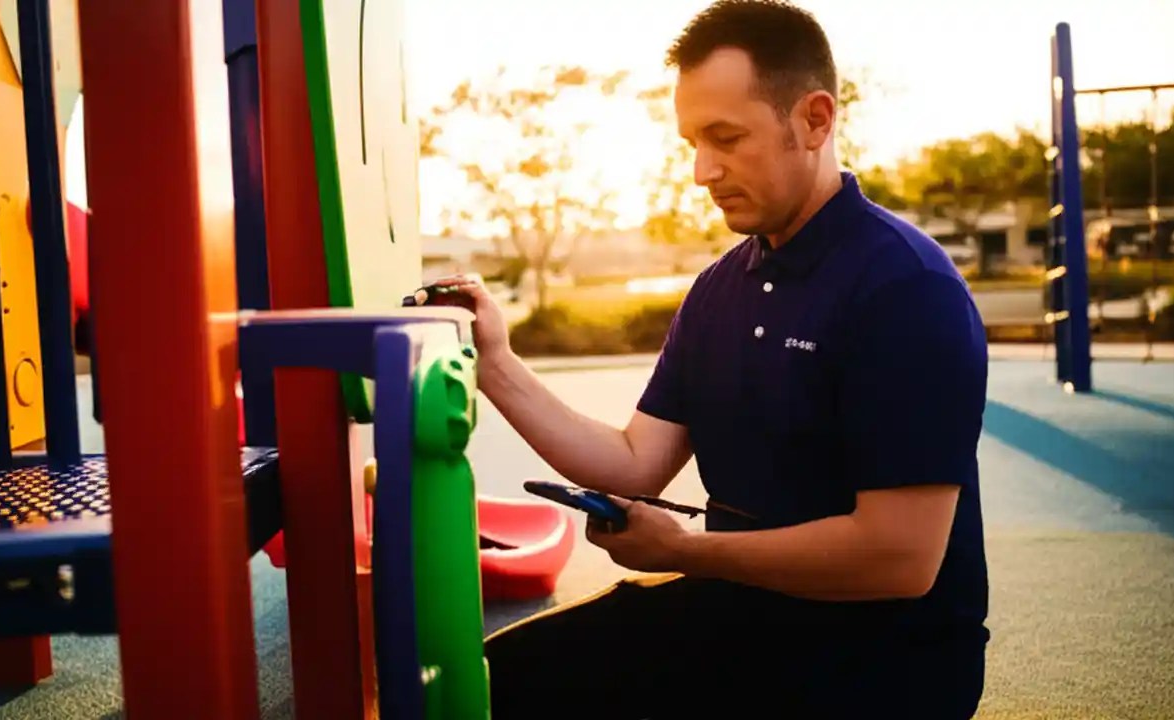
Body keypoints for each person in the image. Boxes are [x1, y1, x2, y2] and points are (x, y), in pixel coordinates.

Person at [423, 1, 989, 716]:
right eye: (693, 141)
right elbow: (634, 462)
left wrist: (686, 552)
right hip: (746, 614)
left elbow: (898, 559)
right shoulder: (720, 288)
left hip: (885, 657)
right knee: (506, 680)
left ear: (815, 120)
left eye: (726, 138)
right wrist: (495, 361)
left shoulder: (906, 288)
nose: (701, 171)